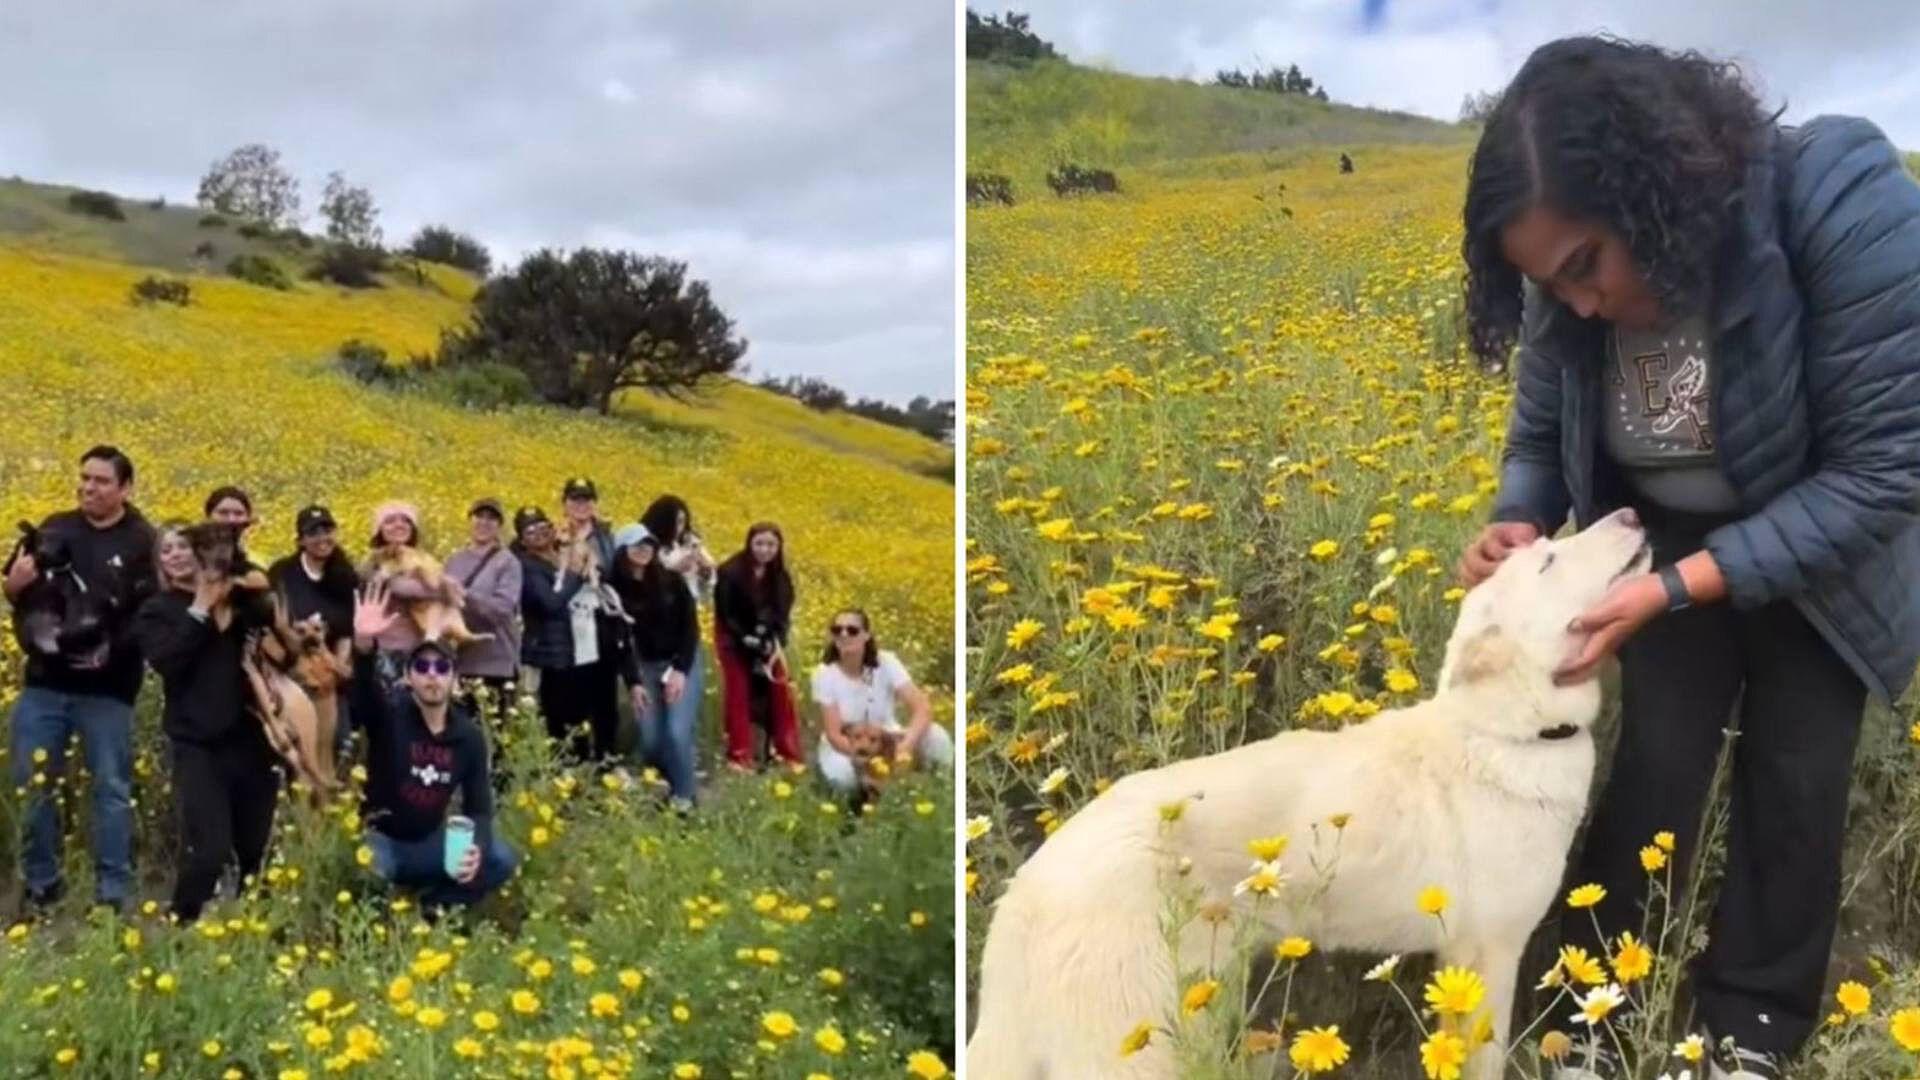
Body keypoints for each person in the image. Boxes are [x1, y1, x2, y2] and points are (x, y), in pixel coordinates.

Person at [1455, 35, 1920, 1080]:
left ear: (1656, 190)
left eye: (1586, 268)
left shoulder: (1838, 198)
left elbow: (1886, 470)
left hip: (1830, 558)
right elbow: (1539, 434)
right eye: (1549, 282)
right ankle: (1595, 1018)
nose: (1576, 302)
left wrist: (1683, 586)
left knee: (1793, 787)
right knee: (1652, 773)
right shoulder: (1564, 282)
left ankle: (1748, 1031)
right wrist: (1520, 521)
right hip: (1657, 548)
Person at [3, 445, 157, 916]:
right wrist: (12, 585)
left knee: (110, 788)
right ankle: (41, 884)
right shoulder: (55, 526)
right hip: (45, 684)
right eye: (85, 478)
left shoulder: (142, 541)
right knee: (32, 783)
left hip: (108, 691)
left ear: (126, 488)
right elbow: (17, 596)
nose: (89, 487)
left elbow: (148, 616)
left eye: (102, 481)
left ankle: (113, 892)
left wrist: (112, 650)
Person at [131, 522, 282, 924]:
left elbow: (271, 616)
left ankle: (260, 933)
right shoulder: (156, 610)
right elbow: (167, 662)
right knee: (209, 850)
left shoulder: (239, 603)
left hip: (252, 741)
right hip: (199, 745)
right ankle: (181, 924)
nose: (178, 555)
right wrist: (199, 607)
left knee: (257, 849)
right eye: (168, 550)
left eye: (186, 547)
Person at [348, 581, 516, 912]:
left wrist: (476, 850)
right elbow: (363, 693)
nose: (432, 676)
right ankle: (383, 923)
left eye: (441, 668)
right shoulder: (390, 715)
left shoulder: (467, 736)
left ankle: (433, 907)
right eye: (421, 667)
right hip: (384, 843)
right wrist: (364, 645)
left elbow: (479, 808)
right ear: (408, 677)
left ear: (454, 679)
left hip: (430, 843)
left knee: (500, 858)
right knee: (366, 872)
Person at [607, 524, 701, 810]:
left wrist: (680, 671)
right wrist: (633, 682)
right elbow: (620, 642)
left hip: (682, 664)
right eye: (637, 544)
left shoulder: (671, 580)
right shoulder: (613, 590)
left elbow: (691, 629)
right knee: (650, 739)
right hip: (644, 668)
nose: (644, 549)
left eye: (648, 544)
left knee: (676, 732)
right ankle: (665, 786)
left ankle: (685, 798)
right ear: (622, 550)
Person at [810, 609, 952, 796]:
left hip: (888, 739)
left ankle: (937, 792)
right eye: (837, 630)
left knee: (937, 737)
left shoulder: (886, 662)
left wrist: (903, 748)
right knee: (842, 778)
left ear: (866, 636)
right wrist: (868, 760)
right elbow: (834, 734)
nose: (844, 634)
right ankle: (855, 806)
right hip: (847, 745)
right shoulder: (824, 673)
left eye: (852, 630)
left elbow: (922, 709)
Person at [267, 505, 359, 762]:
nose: (322, 538)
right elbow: (271, 623)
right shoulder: (282, 573)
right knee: (292, 747)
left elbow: (346, 631)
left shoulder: (345, 576)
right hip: (289, 673)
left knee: (337, 745)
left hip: (328, 678)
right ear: (301, 540)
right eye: (313, 532)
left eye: (327, 530)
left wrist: (339, 666)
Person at [510, 506, 602, 763]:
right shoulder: (526, 567)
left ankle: (583, 777)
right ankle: (564, 778)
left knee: (581, 720)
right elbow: (550, 603)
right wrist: (575, 574)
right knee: (560, 723)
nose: (539, 533)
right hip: (551, 656)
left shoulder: (562, 555)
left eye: (544, 527)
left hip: (578, 650)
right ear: (522, 540)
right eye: (530, 530)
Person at [712, 522, 803, 771]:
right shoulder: (730, 572)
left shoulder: (780, 577)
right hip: (733, 638)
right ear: (749, 544)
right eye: (759, 544)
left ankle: (787, 752)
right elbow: (726, 614)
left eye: (771, 545)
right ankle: (739, 755)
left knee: (780, 689)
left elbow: (782, 614)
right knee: (739, 691)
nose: (765, 550)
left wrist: (775, 641)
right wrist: (746, 639)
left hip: (767, 640)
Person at [555, 477, 622, 764]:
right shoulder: (555, 533)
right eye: (575, 499)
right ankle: (575, 756)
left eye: (586, 499)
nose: (581, 505)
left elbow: (616, 572)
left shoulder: (606, 536)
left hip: (600, 619)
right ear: (565, 504)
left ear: (595, 504)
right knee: (570, 691)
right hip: (563, 621)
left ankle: (607, 754)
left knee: (604, 690)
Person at [445, 498, 524, 722]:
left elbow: (502, 610)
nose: (484, 523)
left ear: (500, 525)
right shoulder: (454, 561)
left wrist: (464, 594)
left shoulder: (508, 563)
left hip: (496, 665)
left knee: (493, 739)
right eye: (479, 516)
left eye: (492, 518)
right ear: (470, 520)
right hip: (461, 663)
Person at [357, 501, 432, 688]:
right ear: (379, 530)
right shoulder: (368, 564)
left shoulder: (424, 561)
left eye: (406, 521)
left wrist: (390, 581)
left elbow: (431, 590)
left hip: (420, 651)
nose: (399, 525)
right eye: (390, 521)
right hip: (381, 651)